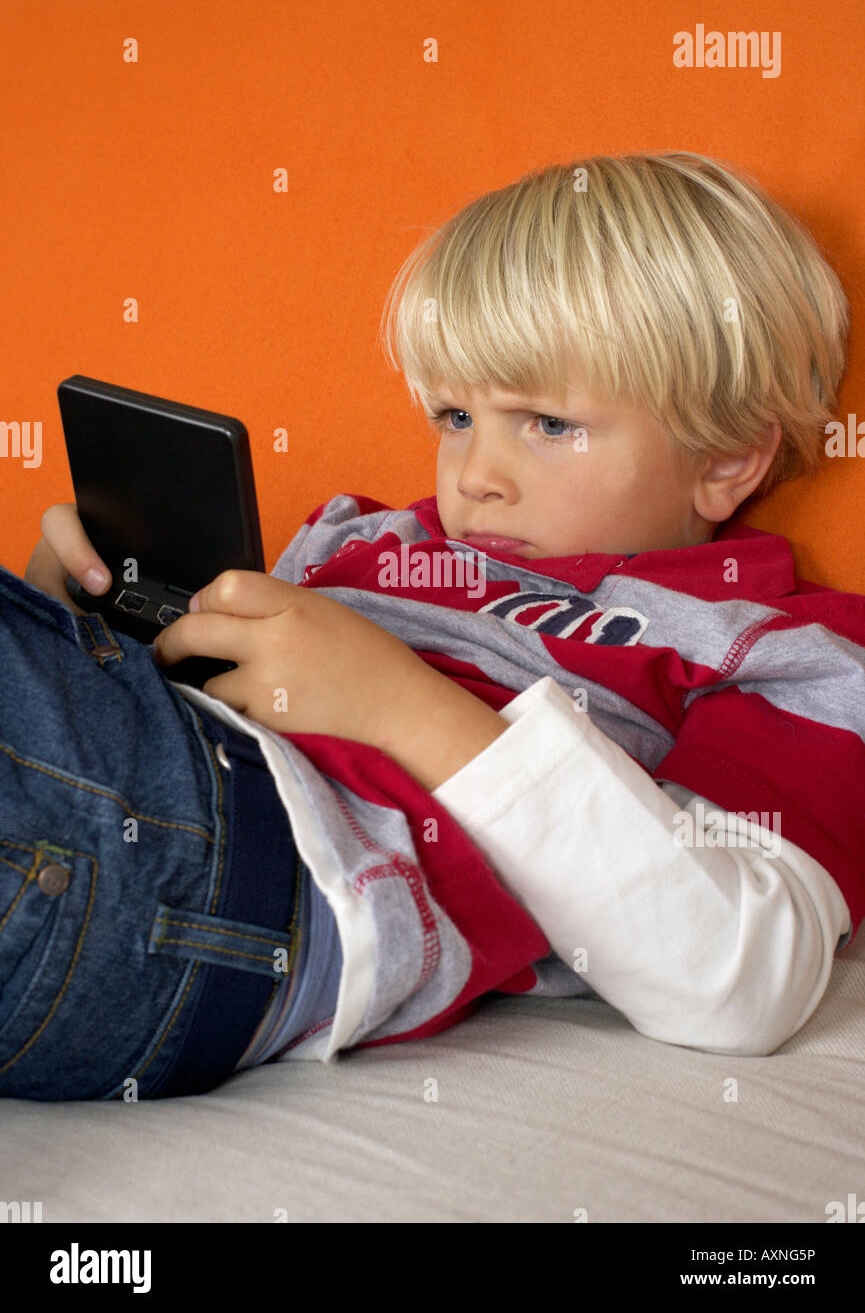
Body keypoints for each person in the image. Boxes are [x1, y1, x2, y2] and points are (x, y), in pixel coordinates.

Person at [2, 150, 861, 1104]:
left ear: (727, 459)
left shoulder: (774, 647)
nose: (474, 473)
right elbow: (198, 693)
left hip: (254, 885)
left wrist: (400, 706)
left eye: (545, 423)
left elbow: (738, 981)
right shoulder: (364, 539)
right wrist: (86, 625)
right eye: (455, 413)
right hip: (133, 776)